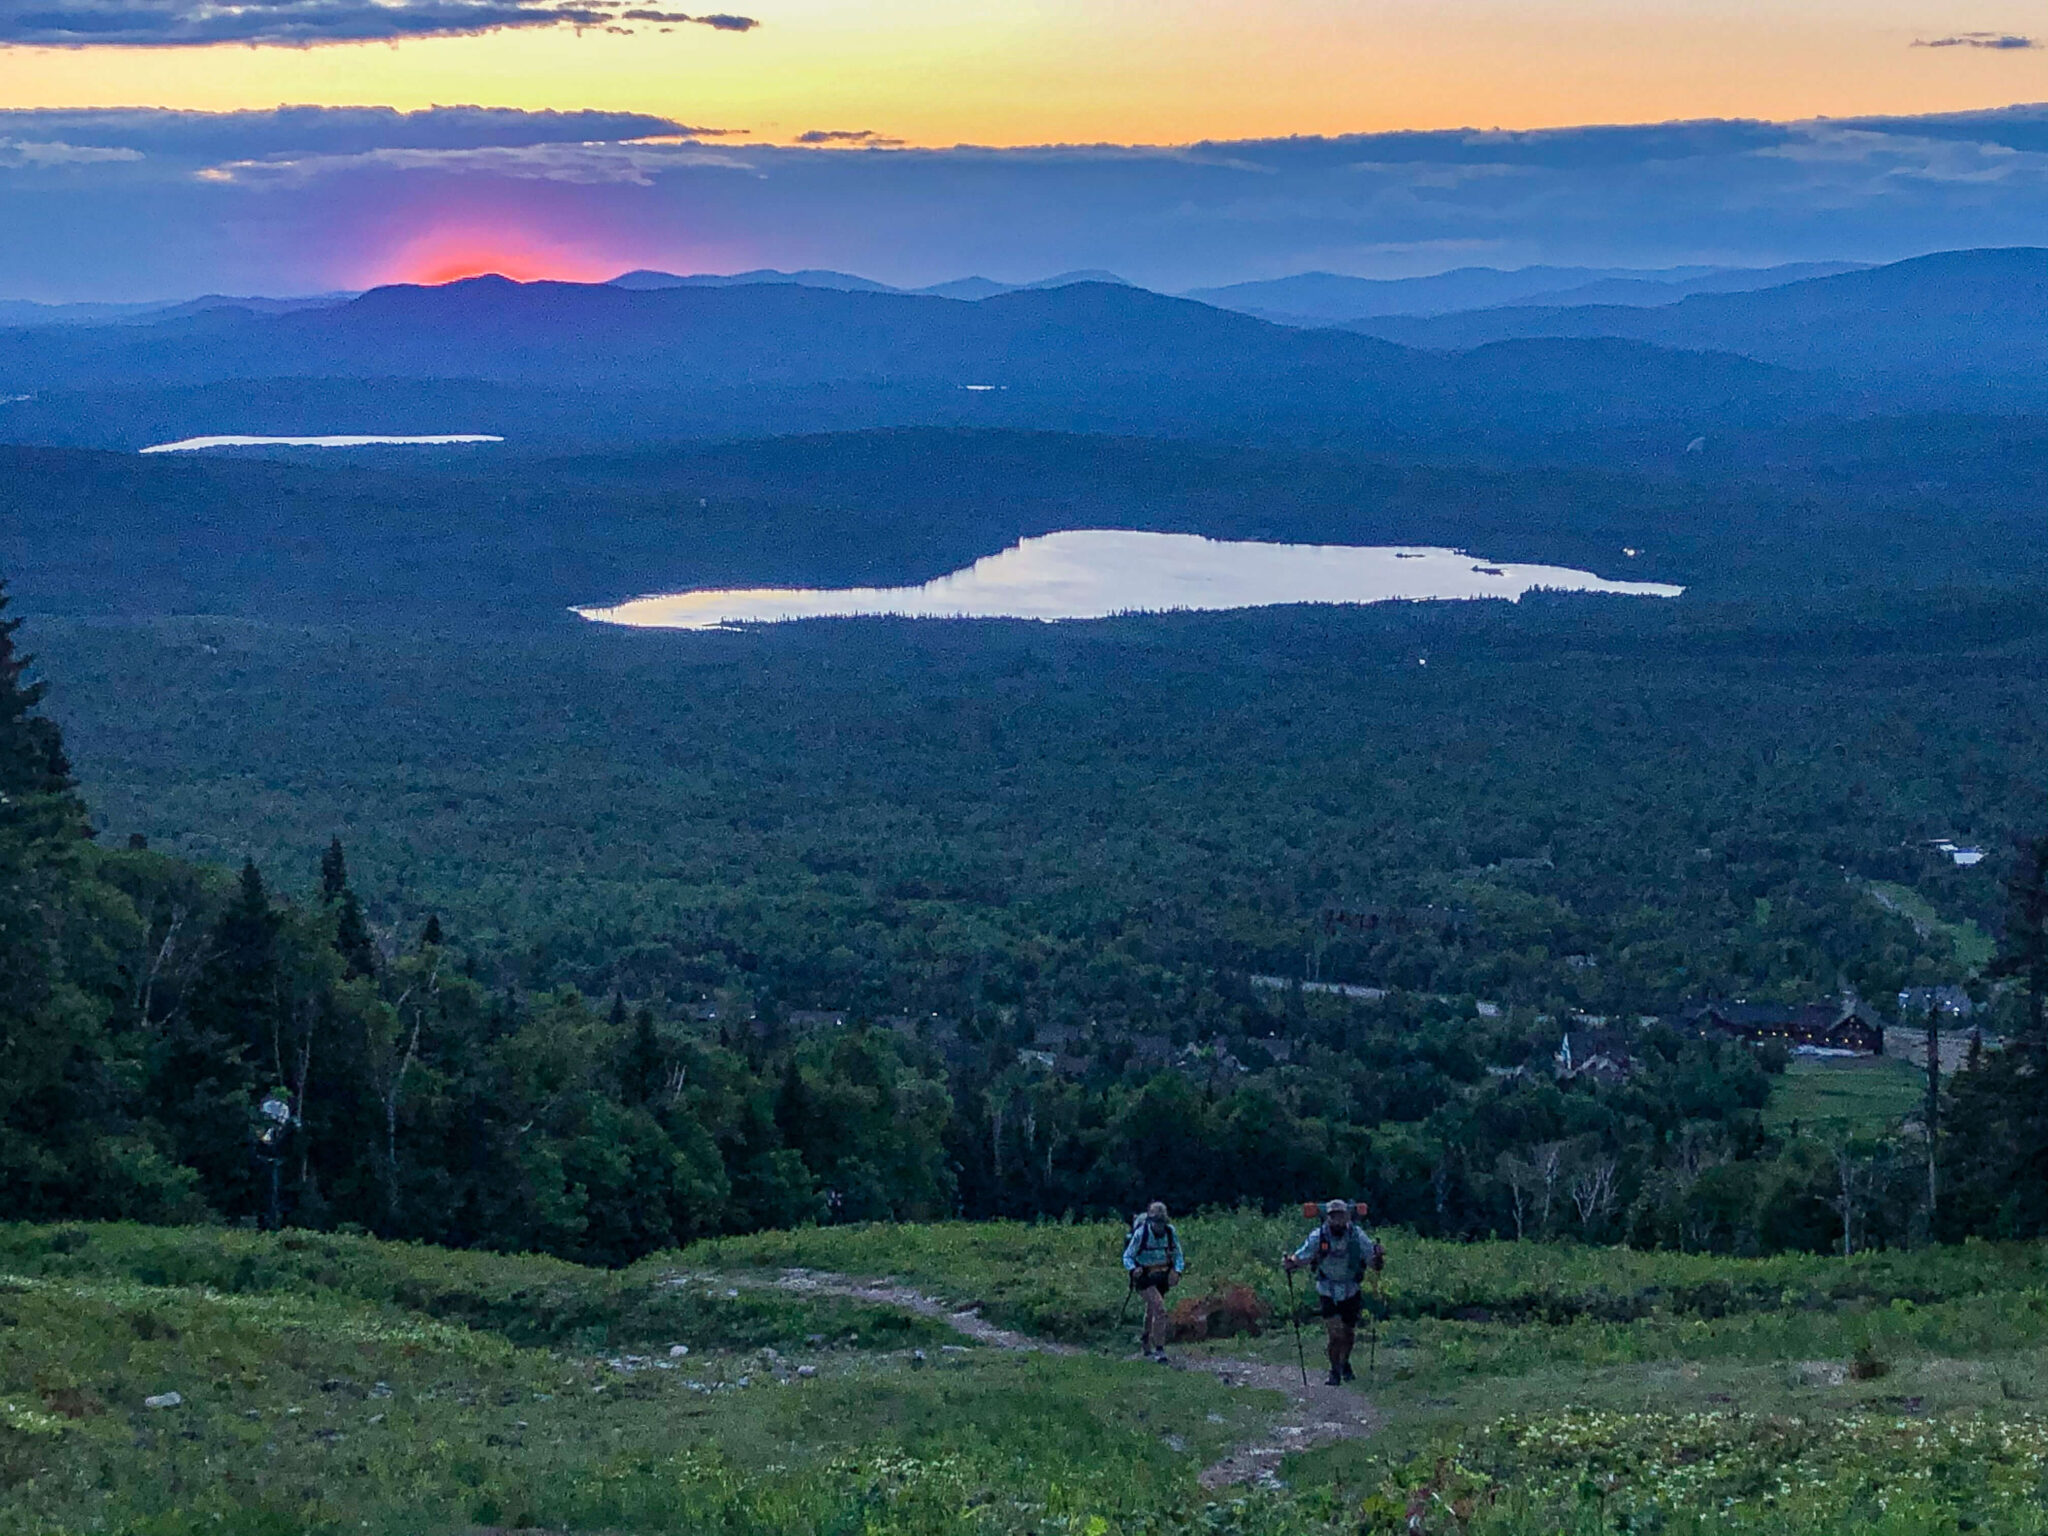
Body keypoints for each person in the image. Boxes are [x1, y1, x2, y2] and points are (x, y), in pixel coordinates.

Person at [1283, 1198, 1383, 1386]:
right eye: (1333, 1216)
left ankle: (1344, 1363)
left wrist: (1378, 1258)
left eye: (1340, 1215)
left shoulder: (1357, 1235)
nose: (1337, 1220)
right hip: (1327, 1288)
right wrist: (1291, 1262)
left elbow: (1372, 1259)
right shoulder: (1318, 1236)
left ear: (1347, 1216)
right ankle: (1334, 1370)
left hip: (1351, 1288)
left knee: (1348, 1333)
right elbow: (1302, 1255)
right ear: (1327, 1217)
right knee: (1335, 1333)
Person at [1121, 1200, 1185, 1362]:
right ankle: (1160, 1349)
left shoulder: (1170, 1233)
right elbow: (1128, 1255)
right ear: (1150, 1221)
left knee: (1152, 1310)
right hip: (1144, 1277)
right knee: (1160, 1309)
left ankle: (1146, 1342)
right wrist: (1133, 1269)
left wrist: (1177, 1271)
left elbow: (1178, 1255)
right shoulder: (1141, 1234)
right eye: (1156, 1222)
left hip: (1162, 1276)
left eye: (1162, 1222)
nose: (1159, 1226)